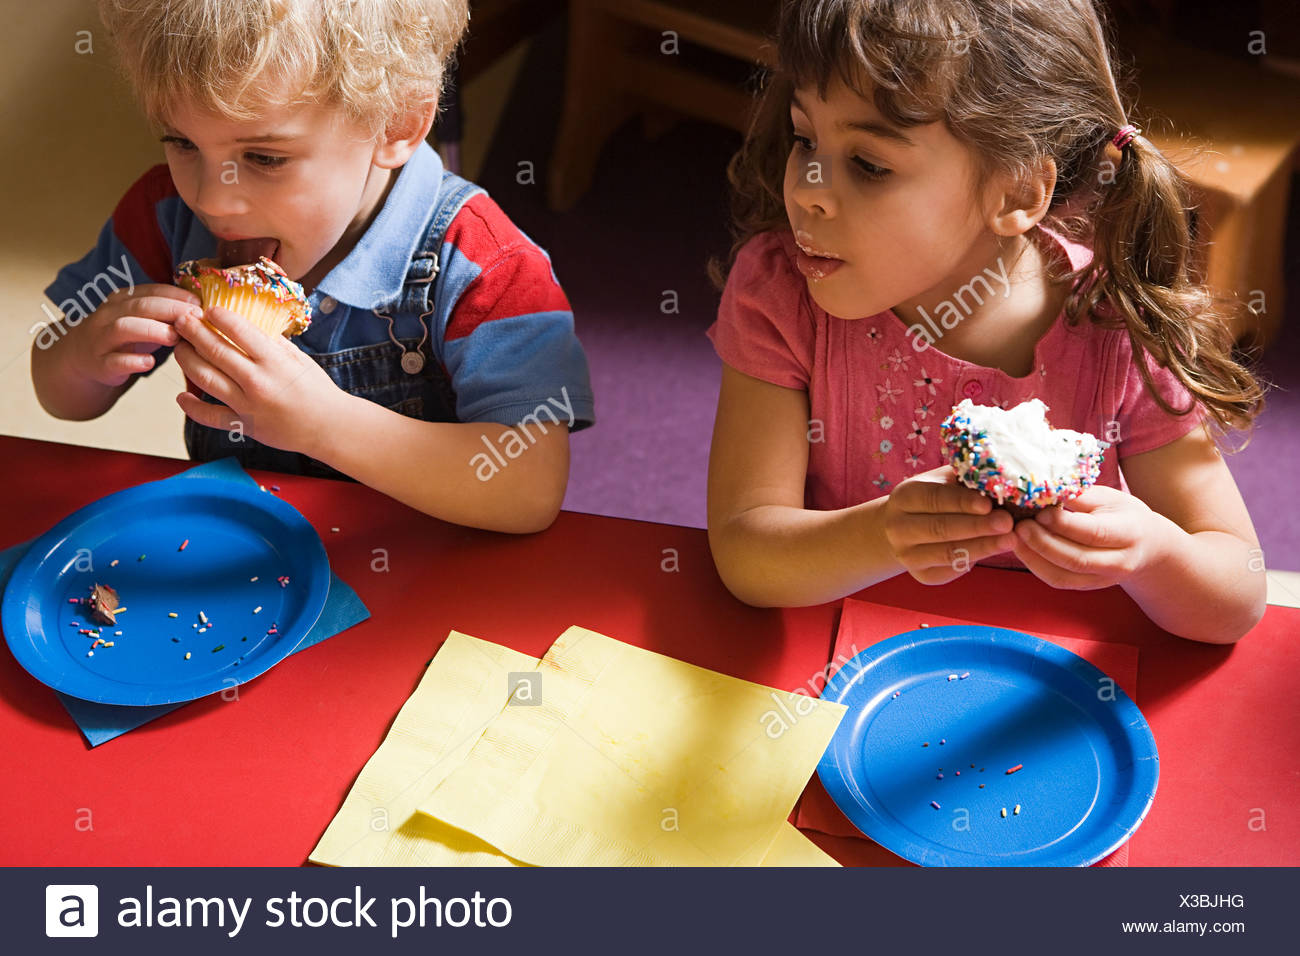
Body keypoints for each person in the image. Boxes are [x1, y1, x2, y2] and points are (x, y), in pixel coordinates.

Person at [706, 0, 1266, 642]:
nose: (805, 187)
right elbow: (746, 554)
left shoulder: (1118, 329)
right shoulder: (780, 295)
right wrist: (885, 532)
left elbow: (1239, 593)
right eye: (806, 138)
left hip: (1046, 690)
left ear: (1018, 193)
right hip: (839, 672)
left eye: (869, 164)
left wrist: (1155, 553)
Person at [32, 0, 594, 534]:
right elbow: (59, 393)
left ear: (396, 124)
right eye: (183, 142)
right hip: (240, 558)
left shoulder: (482, 264)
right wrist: (84, 358)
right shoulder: (164, 218)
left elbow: (529, 487)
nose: (213, 198)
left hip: (422, 567)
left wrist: (326, 427)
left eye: (265, 157)